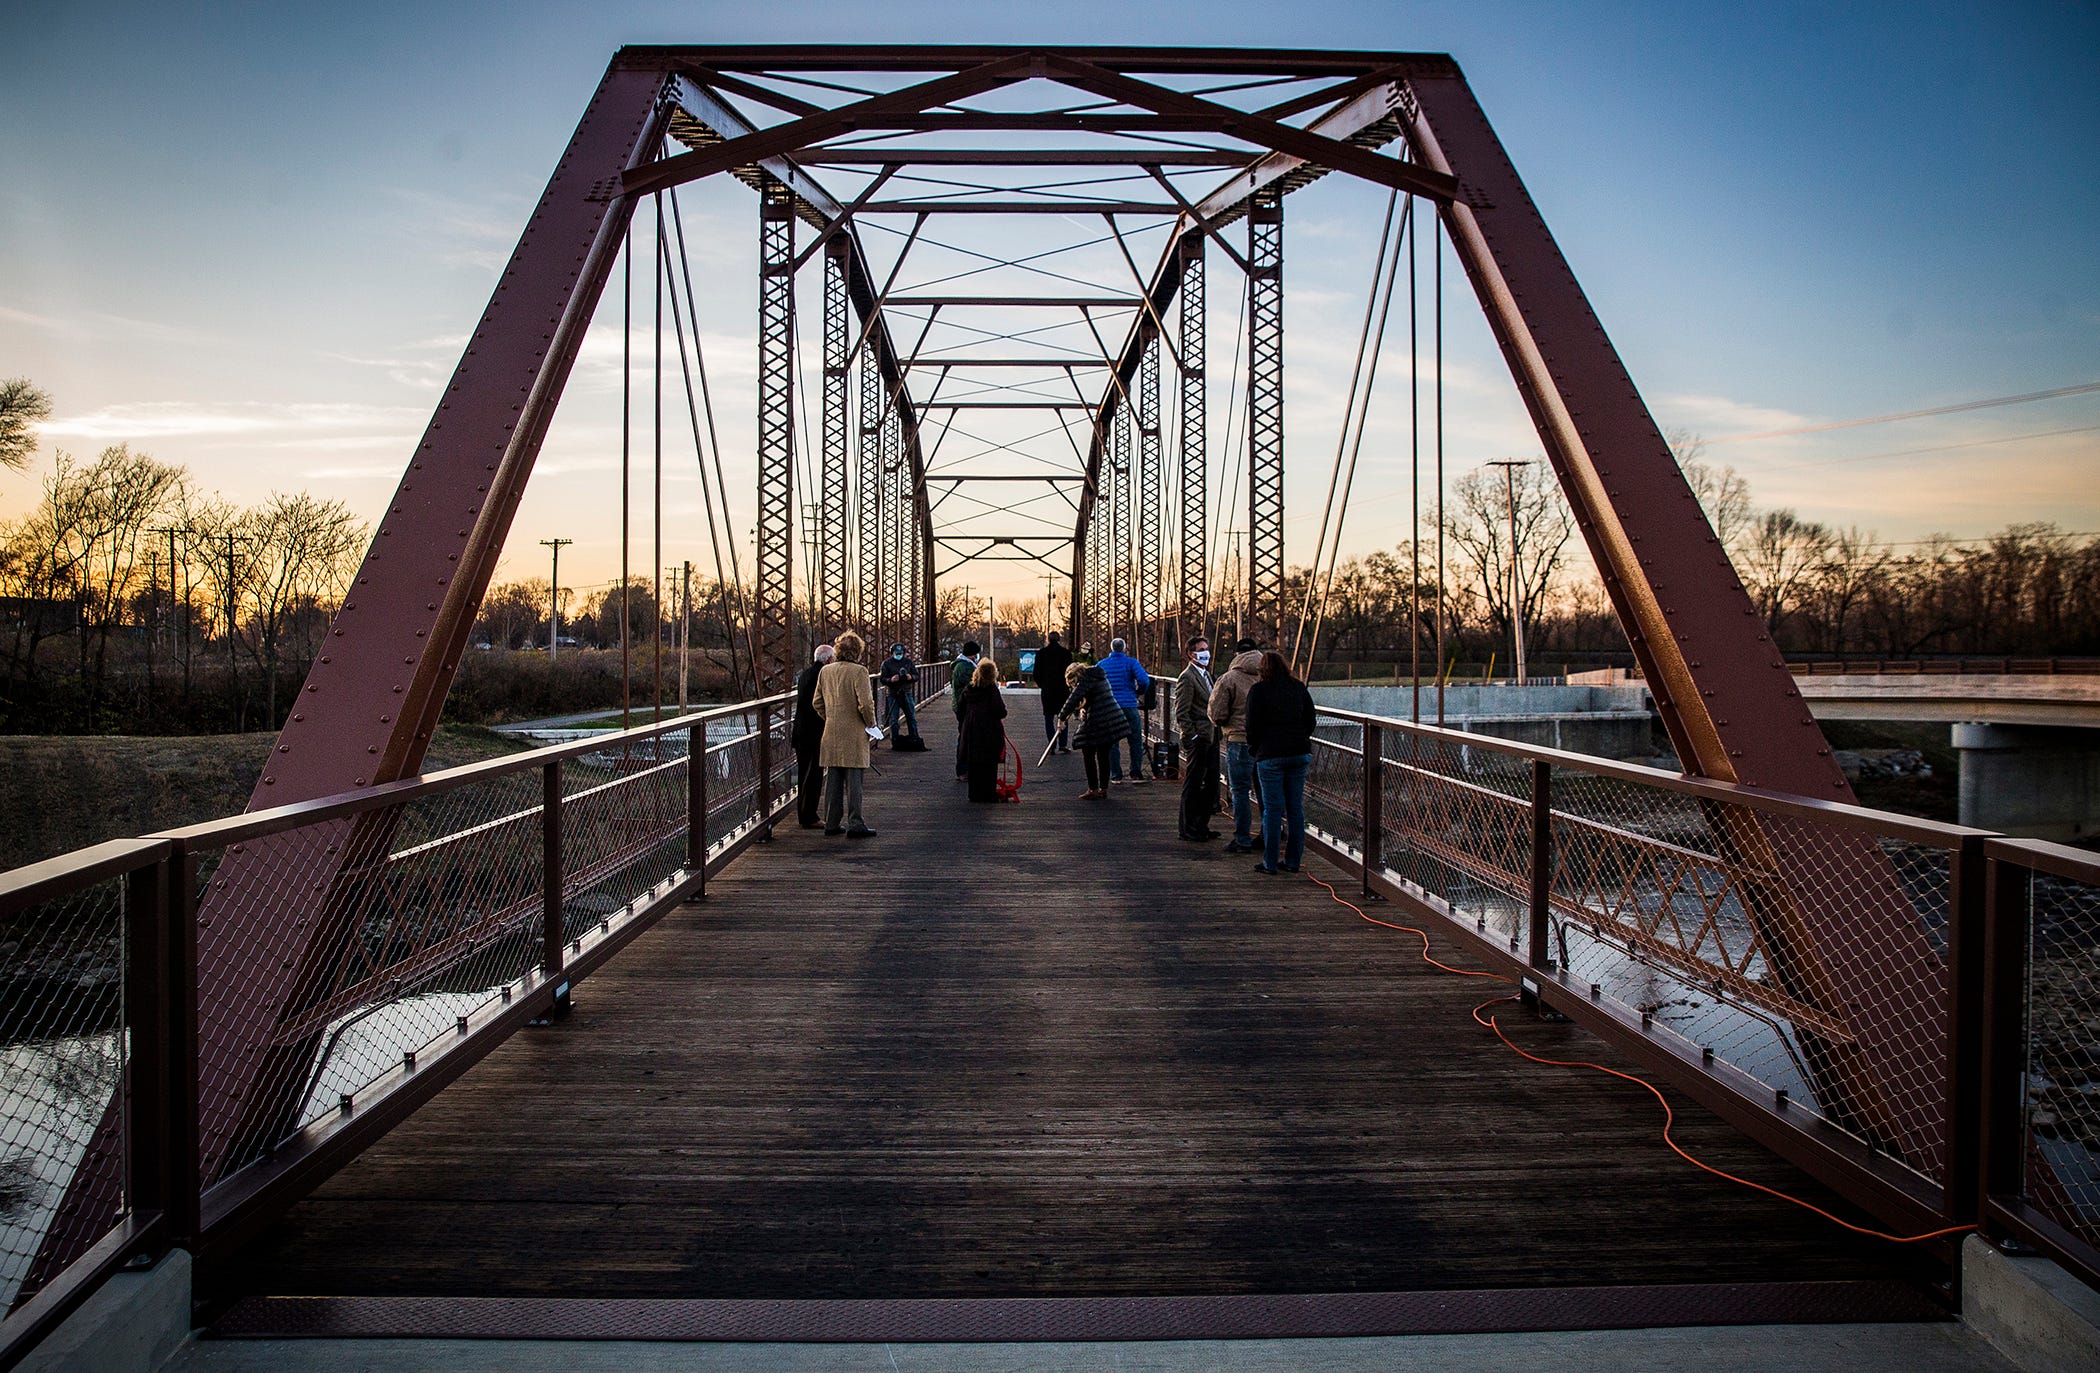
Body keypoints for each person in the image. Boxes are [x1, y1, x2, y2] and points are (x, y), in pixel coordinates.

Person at [1244, 651, 1316, 875]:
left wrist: (1256, 749)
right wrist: (1300, 738)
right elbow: (1310, 720)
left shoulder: (1258, 690)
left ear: (1262, 669)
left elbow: (1251, 725)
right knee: (1295, 809)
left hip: (1270, 755)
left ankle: (1270, 863)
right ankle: (1293, 862)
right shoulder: (1298, 687)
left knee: (1273, 810)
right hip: (1298, 752)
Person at [811, 630, 878, 839]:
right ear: (857, 651)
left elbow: (817, 702)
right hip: (855, 732)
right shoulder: (859, 672)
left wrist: (830, 717)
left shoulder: (826, 671)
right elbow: (865, 704)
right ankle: (855, 823)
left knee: (833, 779)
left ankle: (831, 822)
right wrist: (871, 724)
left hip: (831, 732)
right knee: (854, 780)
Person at [1206, 638, 1264, 853]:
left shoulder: (1229, 678)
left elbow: (1217, 713)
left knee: (1240, 791)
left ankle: (1242, 839)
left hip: (1239, 741)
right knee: (1266, 791)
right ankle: (1269, 835)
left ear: (1236, 654)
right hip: (1266, 743)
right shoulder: (1268, 676)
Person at [1058, 659, 1128, 800]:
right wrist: (1085, 708)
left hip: (1099, 721)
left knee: (1087, 751)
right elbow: (1095, 697)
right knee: (1103, 755)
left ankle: (1093, 789)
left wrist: (1061, 718)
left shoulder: (1085, 681)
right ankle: (1103, 788)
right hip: (1113, 719)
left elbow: (1074, 698)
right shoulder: (1099, 677)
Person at [1174, 636, 1218, 842]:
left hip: (1210, 736)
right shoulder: (1187, 677)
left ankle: (1202, 825)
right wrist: (1191, 735)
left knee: (1209, 784)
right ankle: (1188, 828)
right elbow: (1181, 711)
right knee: (1193, 784)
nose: (1206, 653)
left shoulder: (1207, 676)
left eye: (1206, 649)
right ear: (1191, 654)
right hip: (1199, 738)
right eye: (1201, 649)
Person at [1094, 636, 1152, 783]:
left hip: (1110, 708)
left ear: (1111, 649)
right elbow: (1145, 681)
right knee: (1135, 741)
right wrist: (1138, 692)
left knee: (1112, 742)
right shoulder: (1131, 662)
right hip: (1129, 706)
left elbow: (1093, 685)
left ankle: (1115, 775)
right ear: (1125, 649)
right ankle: (1135, 773)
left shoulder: (1101, 664)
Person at [790, 642, 835, 828]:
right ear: (829, 659)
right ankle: (810, 817)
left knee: (804, 775)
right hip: (814, 733)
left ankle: (804, 814)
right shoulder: (823, 675)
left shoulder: (806, 674)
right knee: (814, 776)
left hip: (800, 732)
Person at [959, 658, 1010, 803]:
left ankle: (974, 794)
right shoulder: (992, 690)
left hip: (971, 731)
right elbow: (1001, 711)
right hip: (990, 731)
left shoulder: (968, 690)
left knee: (973, 764)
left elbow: (960, 710)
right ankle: (988, 794)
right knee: (989, 764)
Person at [1032, 631, 1075, 753]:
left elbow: (1036, 673)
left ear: (1048, 640)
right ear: (1059, 639)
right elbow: (1071, 673)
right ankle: (1062, 744)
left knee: (1048, 718)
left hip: (1048, 690)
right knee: (1063, 717)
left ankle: (1052, 744)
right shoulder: (1066, 654)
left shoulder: (1041, 654)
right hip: (1063, 690)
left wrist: (1043, 685)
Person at [949, 640, 981, 780]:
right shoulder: (965, 668)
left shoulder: (960, 666)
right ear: (972, 654)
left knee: (965, 737)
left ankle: (965, 769)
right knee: (965, 738)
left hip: (962, 706)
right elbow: (974, 685)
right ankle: (963, 770)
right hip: (965, 707)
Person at [877, 643, 920, 741]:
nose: (898, 655)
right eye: (897, 653)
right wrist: (891, 680)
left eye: (900, 653)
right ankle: (895, 740)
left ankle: (914, 738)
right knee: (894, 719)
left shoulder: (908, 662)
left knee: (911, 717)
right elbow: (882, 679)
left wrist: (911, 677)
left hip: (906, 692)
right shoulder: (887, 663)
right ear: (892, 653)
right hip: (893, 693)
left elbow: (916, 676)